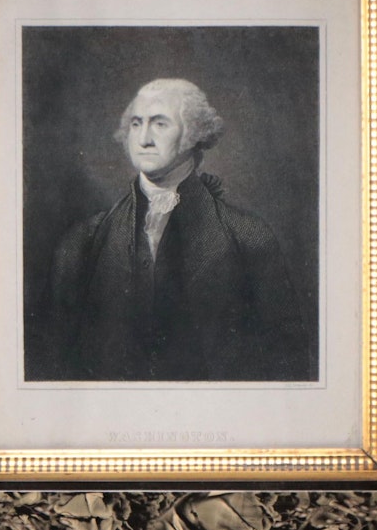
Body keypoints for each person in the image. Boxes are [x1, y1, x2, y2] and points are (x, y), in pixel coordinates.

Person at [28, 78, 312, 382]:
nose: (144, 139)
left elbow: (286, 360)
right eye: (136, 124)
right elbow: (52, 360)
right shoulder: (83, 242)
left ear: (194, 133)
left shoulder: (248, 236)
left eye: (160, 124)